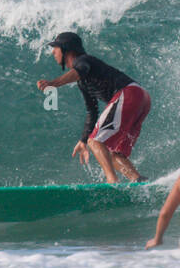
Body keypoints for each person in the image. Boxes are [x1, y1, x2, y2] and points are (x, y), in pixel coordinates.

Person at [37, 31, 152, 183]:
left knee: (96, 142)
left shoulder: (84, 61)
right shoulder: (82, 81)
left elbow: (81, 69)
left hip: (128, 93)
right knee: (113, 153)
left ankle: (112, 180)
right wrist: (84, 140)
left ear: (67, 49)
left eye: (56, 48)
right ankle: (138, 181)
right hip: (141, 98)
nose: (53, 52)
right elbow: (92, 111)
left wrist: (54, 83)